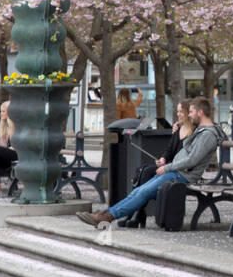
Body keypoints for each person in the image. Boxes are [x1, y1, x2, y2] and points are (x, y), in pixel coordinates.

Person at [76, 97, 224, 228]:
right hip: (176, 172)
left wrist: (167, 168)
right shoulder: (202, 130)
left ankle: (106, 217)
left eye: (191, 112)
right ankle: (105, 215)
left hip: (182, 175)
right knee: (139, 191)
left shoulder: (208, 135)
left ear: (200, 113)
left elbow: (192, 160)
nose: (189, 115)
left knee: (143, 192)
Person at [118, 98, 195, 228]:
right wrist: (163, 159)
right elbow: (169, 150)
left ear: (189, 112)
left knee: (147, 173)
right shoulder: (178, 128)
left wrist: (168, 165)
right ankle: (137, 213)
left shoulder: (195, 131)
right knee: (143, 171)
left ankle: (137, 214)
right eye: (177, 111)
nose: (178, 114)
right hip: (169, 165)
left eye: (181, 111)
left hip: (180, 169)